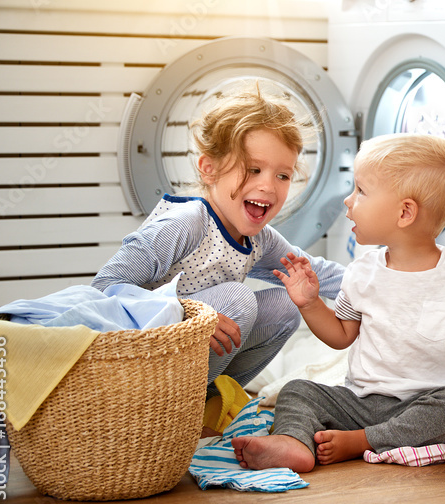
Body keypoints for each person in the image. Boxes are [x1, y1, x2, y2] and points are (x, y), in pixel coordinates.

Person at [232, 133, 445, 473]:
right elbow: (342, 336)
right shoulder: (362, 273)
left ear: (405, 212)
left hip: (429, 404)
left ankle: (363, 441)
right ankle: (293, 442)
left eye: (361, 191)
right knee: (297, 391)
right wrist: (310, 304)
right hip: (362, 402)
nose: (349, 201)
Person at [92, 83, 344, 398]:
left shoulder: (259, 239)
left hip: (187, 361)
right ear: (209, 170)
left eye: (283, 175)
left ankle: (208, 402)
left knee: (287, 305)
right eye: (253, 169)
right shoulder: (186, 224)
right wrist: (186, 311)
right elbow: (103, 289)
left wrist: (383, 279)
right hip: (139, 361)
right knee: (238, 299)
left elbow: (313, 272)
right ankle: (174, 405)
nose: (268, 185)